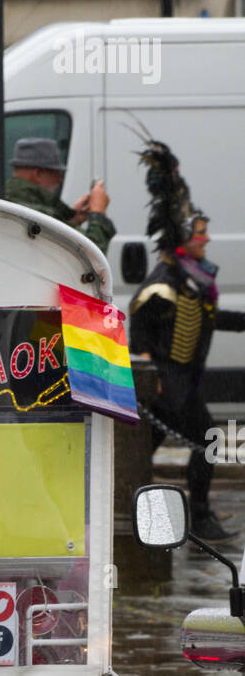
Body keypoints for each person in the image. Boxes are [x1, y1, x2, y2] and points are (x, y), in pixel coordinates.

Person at [129, 140, 245, 541]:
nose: (208, 238)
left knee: (140, 453)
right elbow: (139, 330)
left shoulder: (190, 279)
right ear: (182, 240)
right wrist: (151, 377)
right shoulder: (164, 284)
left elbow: (207, 321)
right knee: (206, 439)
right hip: (169, 386)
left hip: (184, 382)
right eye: (201, 233)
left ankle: (134, 511)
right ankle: (199, 516)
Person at [5, 137, 115, 255]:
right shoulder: (36, 214)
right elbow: (92, 254)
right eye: (56, 173)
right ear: (38, 174)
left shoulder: (11, 201)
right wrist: (98, 213)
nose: (60, 179)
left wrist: (73, 219)